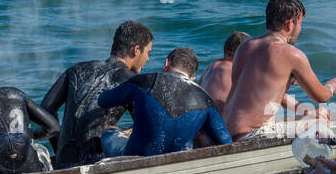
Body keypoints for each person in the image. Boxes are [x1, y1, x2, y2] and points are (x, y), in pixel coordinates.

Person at [222, 0, 336, 140]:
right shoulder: (291, 54)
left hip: (227, 132)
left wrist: (306, 110)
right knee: (322, 122)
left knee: (299, 118)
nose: (300, 29)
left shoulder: (244, 47)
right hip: (252, 134)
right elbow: (321, 96)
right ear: (289, 24)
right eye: (300, 24)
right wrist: (331, 87)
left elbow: (262, 94)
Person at [40, 20, 153, 168]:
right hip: (95, 163)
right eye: (148, 52)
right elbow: (145, 128)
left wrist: (59, 146)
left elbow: (46, 108)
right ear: (136, 50)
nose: (148, 59)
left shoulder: (77, 69)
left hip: (63, 160)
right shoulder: (132, 81)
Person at [89, 47, 232, 157]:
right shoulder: (205, 99)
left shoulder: (145, 81)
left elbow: (103, 100)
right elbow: (226, 142)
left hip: (135, 158)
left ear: (166, 63)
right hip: (178, 161)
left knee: (109, 131)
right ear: (192, 77)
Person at [200, 31, 249, 111]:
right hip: (219, 119)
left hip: (200, 114)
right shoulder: (234, 69)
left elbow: (198, 88)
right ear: (241, 53)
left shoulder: (212, 66)